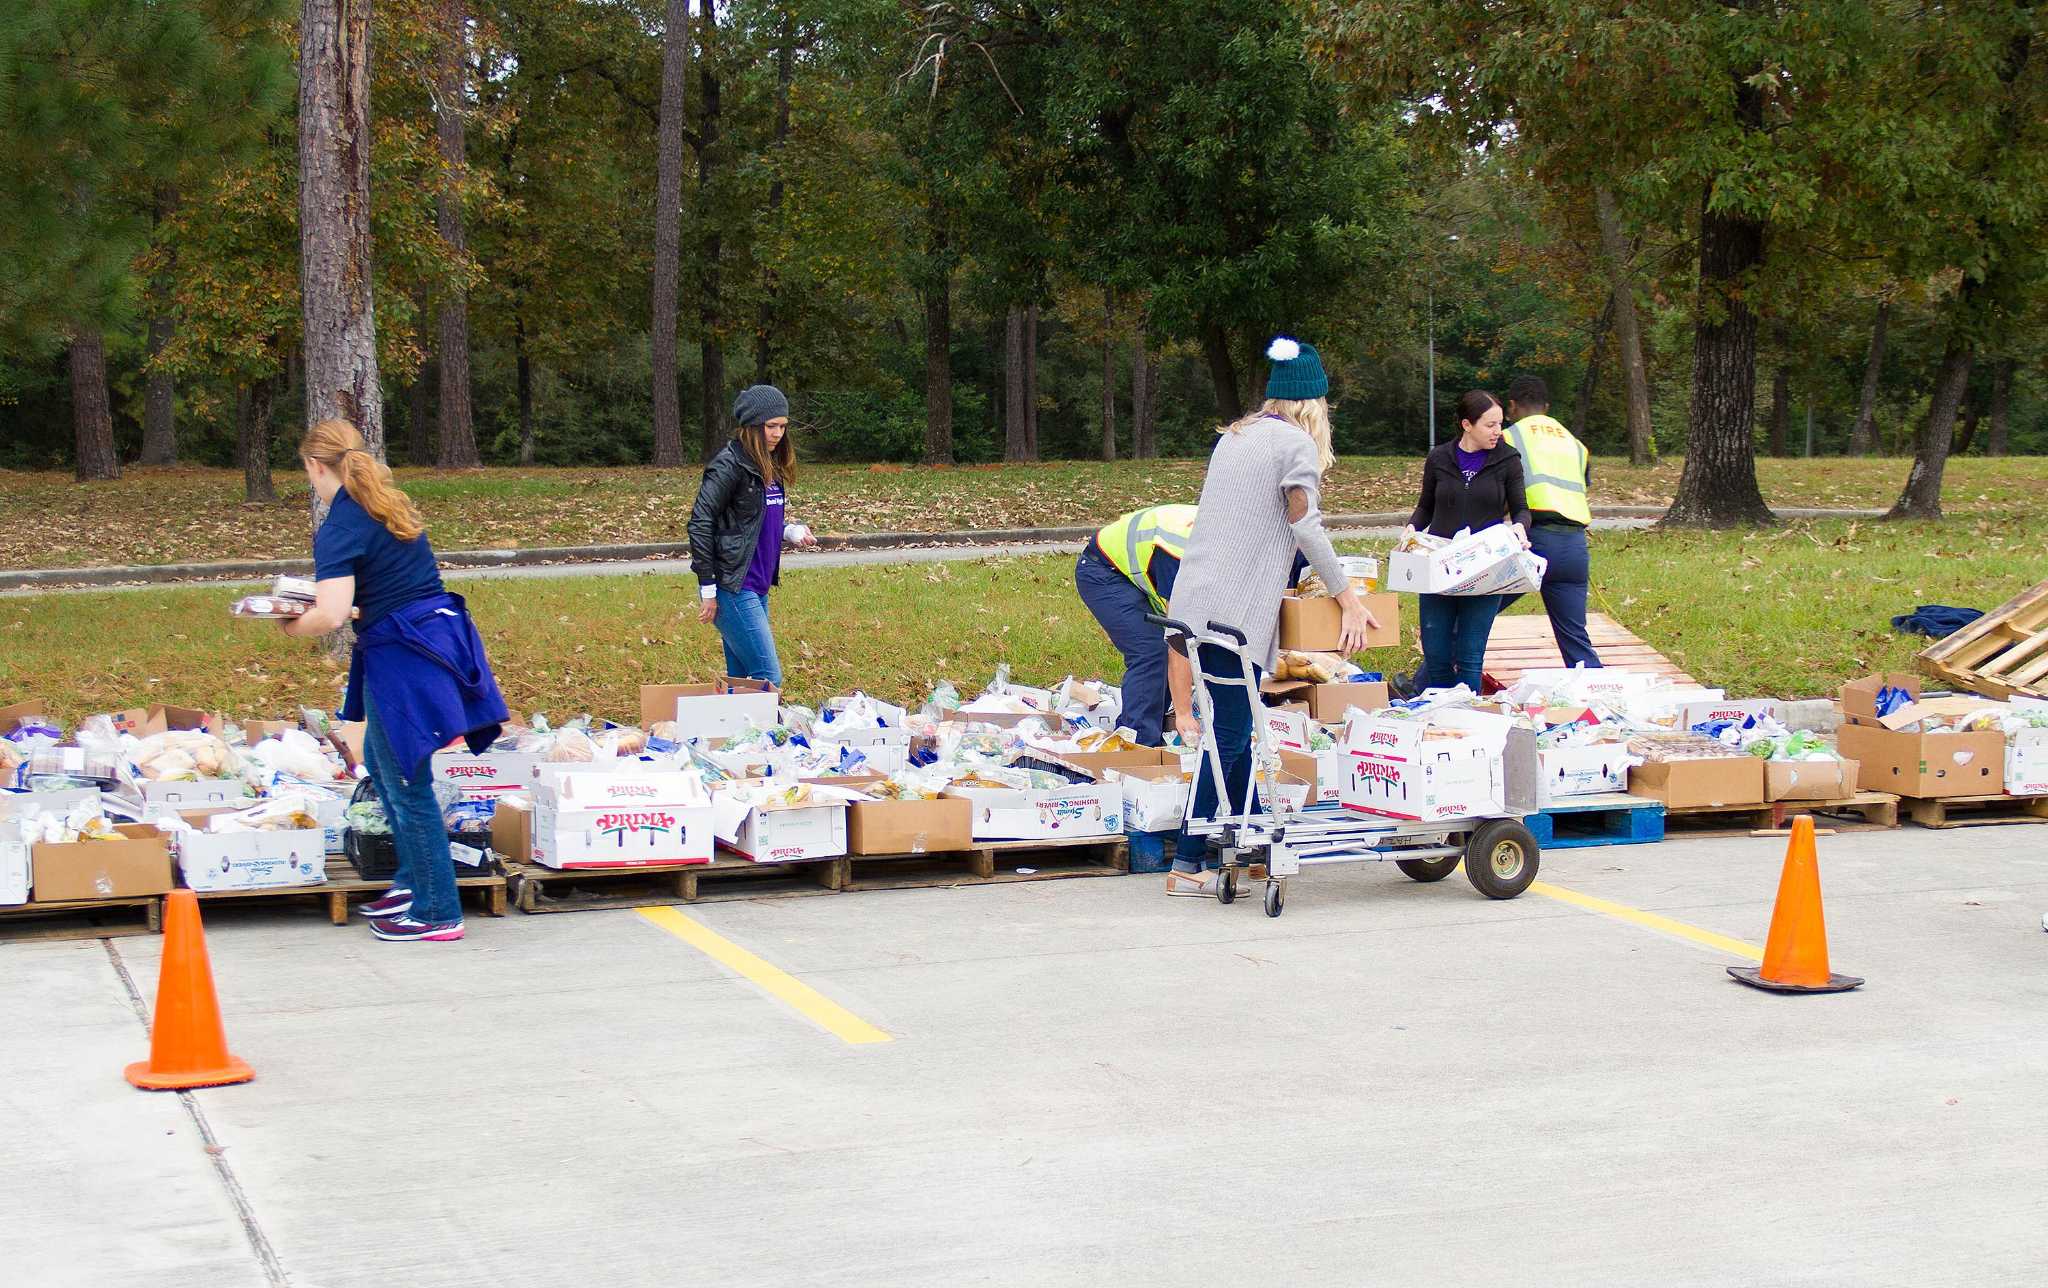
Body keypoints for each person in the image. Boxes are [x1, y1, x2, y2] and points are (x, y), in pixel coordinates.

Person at [1163, 337, 1377, 897]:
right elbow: (1305, 525)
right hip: (1236, 612)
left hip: (1197, 599)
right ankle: (1189, 860)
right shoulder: (1295, 447)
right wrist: (1347, 595)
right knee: (1230, 730)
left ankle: (1246, 837)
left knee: (1235, 723)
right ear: (1315, 404)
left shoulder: (1236, 437)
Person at [282, 420, 508, 943]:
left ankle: (437, 911)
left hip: (407, 655)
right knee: (385, 770)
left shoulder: (340, 524)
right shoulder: (384, 502)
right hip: (421, 639)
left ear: (317, 467)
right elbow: (388, 585)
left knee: (407, 782)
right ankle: (413, 882)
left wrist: (293, 622)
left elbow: (333, 613)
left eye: (308, 473)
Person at [687, 385, 818, 687]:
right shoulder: (728, 464)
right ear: (752, 425)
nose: (778, 434)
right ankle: (766, 734)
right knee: (767, 677)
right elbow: (700, 522)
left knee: (740, 679)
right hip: (732, 586)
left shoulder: (768, 463)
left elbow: (752, 521)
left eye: (783, 426)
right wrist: (708, 587)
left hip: (757, 584)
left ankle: (735, 733)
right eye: (771, 426)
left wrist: (790, 531)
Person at [1405, 390, 1530, 693]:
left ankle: (1466, 719)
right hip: (1440, 565)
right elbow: (1425, 506)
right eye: (1490, 425)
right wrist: (1411, 528)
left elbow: (1522, 509)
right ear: (1466, 425)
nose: (1498, 432)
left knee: (1470, 657)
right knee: (1436, 656)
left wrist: (1519, 529)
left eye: (1500, 424)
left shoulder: (1508, 459)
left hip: (1484, 569)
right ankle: (1439, 716)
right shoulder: (1439, 458)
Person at [1074, 504, 1200, 746]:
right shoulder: (1179, 553)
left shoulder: (1216, 535)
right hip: (1102, 571)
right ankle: (1137, 743)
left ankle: (1153, 729)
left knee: (1162, 651)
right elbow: (1178, 635)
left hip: (1130, 568)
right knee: (1150, 650)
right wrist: (1184, 713)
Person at [1502, 375, 1601, 668]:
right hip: (1574, 547)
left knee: (1474, 615)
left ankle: (1420, 684)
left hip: (1532, 543)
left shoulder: (1508, 438)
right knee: (1575, 640)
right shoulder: (1576, 445)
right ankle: (1604, 700)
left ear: (1511, 406)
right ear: (1546, 406)